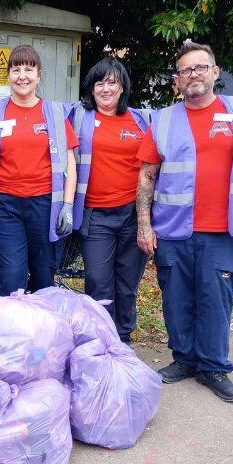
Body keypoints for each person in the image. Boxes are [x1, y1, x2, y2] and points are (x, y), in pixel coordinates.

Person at [137, 40, 233, 403]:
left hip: (223, 230)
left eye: (200, 67)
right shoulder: (163, 120)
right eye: (186, 70)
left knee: (216, 300)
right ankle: (184, 360)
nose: (193, 74)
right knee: (177, 300)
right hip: (173, 229)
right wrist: (144, 224)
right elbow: (147, 175)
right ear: (177, 81)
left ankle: (213, 367)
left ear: (215, 72)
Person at [0, 44, 77, 295]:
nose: (22, 76)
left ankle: (43, 332)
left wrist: (69, 206)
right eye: (16, 69)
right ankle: (13, 333)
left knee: (44, 277)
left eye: (29, 69)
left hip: (45, 205)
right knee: (12, 279)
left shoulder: (53, 112)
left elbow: (70, 162)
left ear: (39, 75)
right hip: (6, 206)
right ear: (8, 75)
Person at [71, 58, 153, 343]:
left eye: (112, 82)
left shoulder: (142, 120)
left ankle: (123, 337)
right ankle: (98, 338)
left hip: (133, 215)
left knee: (127, 283)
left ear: (122, 88)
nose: (106, 89)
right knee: (97, 280)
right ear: (91, 89)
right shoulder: (78, 117)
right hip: (96, 216)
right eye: (99, 83)